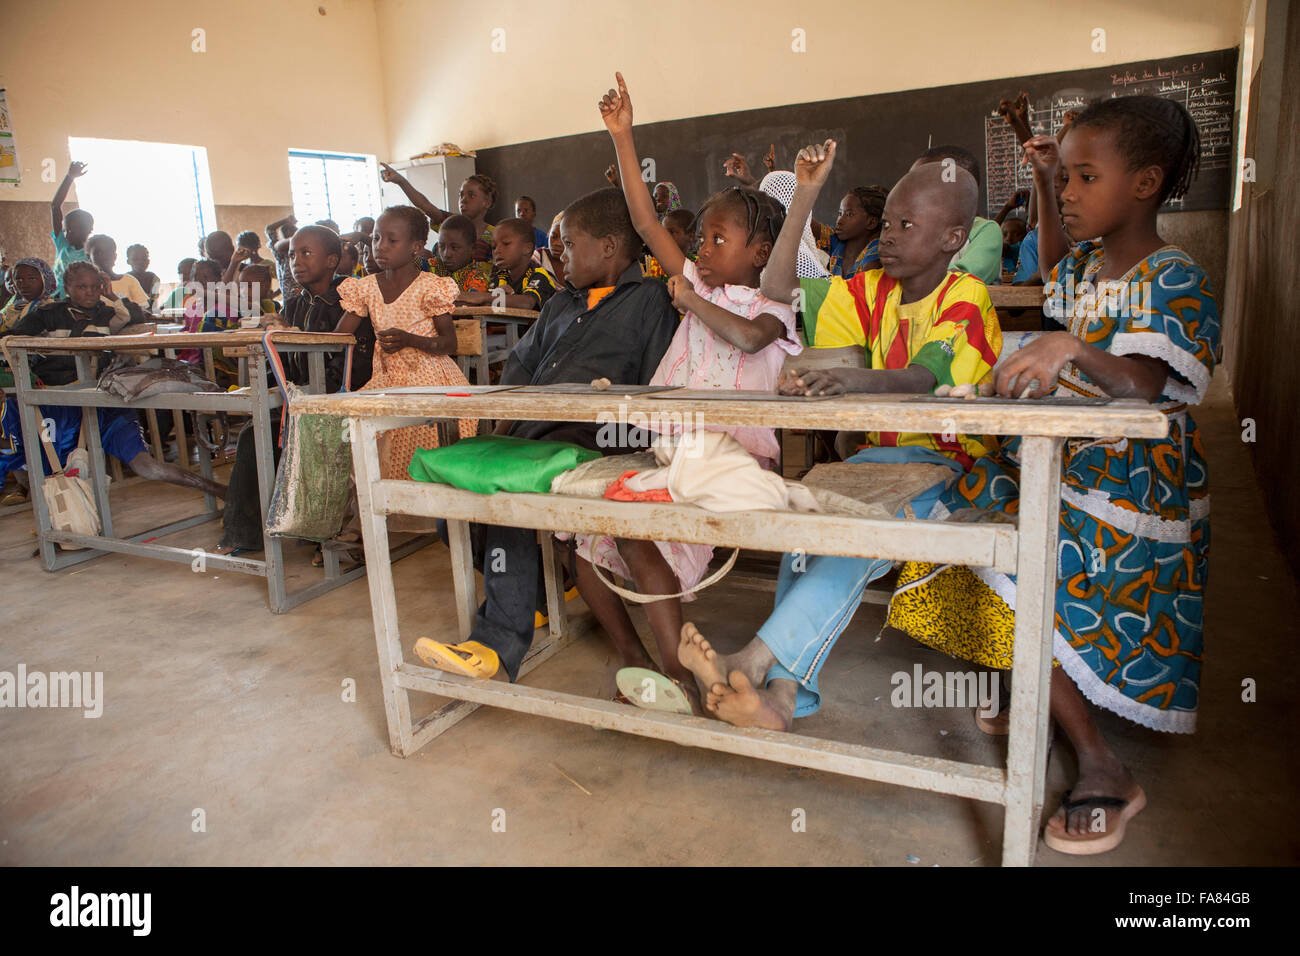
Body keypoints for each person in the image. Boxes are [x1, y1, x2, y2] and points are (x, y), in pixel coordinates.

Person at [886, 95, 1219, 856]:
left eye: (1083, 176)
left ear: (1144, 183)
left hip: (1128, 485)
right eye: (1062, 176)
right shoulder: (1082, 265)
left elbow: (1143, 380)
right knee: (954, 524)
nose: (1067, 191)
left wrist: (1070, 352)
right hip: (1057, 458)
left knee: (1025, 572)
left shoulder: (1175, 279)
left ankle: (1104, 766)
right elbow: (1052, 272)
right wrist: (1040, 183)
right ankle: (1035, 688)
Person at [675, 143, 1001, 735]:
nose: (889, 235)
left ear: (953, 239)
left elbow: (921, 377)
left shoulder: (966, 297)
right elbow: (778, 289)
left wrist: (850, 379)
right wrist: (803, 194)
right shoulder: (869, 288)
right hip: (877, 463)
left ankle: (753, 660)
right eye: (888, 224)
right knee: (806, 529)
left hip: (949, 470)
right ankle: (779, 698)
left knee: (851, 536)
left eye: (907, 225)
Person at [564, 73, 800, 709]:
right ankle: (637, 660)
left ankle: (681, 668)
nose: (703, 246)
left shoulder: (772, 301)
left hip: (725, 457)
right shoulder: (695, 280)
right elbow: (643, 219)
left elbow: (750, 341)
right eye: (703, 238)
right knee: (585, 548)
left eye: (719, 239)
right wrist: (623, 136)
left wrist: (692, 299)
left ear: (760, 252)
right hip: (672, 451)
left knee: (641, 535)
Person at [411, 186, 678, 683]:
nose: (559, 253)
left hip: (592, 437)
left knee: (510, 491)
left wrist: (632, 448)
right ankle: (529, 593)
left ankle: (495, 643)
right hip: (533, 431)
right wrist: (495, 434)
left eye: (570, 245)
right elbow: (518, 371)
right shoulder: (560, 303)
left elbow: (654, 391)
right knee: (453, 506)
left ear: (608, 247)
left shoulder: (649, 302)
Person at [0, 261, 227, 499]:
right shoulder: (47, 314)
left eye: (95, 287)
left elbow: (137, 314)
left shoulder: (105, 312)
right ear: (67, 288)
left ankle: (223, 492)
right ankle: (61, 518)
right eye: (81, 287)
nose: (89, 292)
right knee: (52, 469)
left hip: (103, 399)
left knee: (146, 466)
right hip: (60, 402)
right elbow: (12, 337)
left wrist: (111, 295)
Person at [216, 226, 363, 556]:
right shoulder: (295, 304)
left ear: (332, 260)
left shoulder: (347, 298)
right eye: (292, 254)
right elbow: (288, 362)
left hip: (341, 393)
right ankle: (244, 532)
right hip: (300, 396)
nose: (296, 261)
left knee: (302, 432)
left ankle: (317, 529)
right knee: (255, 432)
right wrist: (277, 335)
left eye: (306, 253)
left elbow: (347, 358)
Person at [335, 205, 474, 481]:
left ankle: (420, 514)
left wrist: (410, 340)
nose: (380, 247)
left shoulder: (430, 286)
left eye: (391, 240)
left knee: (418, 434)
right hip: (387, 379)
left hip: (430, 379)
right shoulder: (366, 287)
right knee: (351, 425)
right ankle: (377, 506)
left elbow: (449, 343)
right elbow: (339, 336)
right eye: (376, 238)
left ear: (416, 247)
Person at [911, 145, 1002, 285]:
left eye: (924, 184)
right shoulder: (912, 231)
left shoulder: (984, 230)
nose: (912, 192)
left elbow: (967, 279)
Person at [380, 163, 497, 262]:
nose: (464, 200)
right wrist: (401, 181)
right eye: (461, 195)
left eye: (471, 195)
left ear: (487, 202)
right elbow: (424, 205)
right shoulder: (450, 224)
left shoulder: (494, 235)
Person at [455, 218, 556, 311]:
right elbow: (491, 305)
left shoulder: (539, 275)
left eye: (506, 243)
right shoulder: (499, 276)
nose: (497, 251)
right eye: (494, 247)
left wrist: (483, 297)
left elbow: (527, 303)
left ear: (527, 248)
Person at [49, 161, 94, 297]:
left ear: (88, 230)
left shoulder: (92, 256)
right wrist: (70, 177)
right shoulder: (62, 245)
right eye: (65, 230)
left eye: (71, 230)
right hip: (56, 302)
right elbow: (55, 206)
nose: (66, 233)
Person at [827, 185, 888, 278]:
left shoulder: (876, 250)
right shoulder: (836, 241)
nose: (839, 221)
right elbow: (807, 223)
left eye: (849, 214)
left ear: (871, 222)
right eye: (840, 213)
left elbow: (861, 288)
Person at [429, 215, 491, 292]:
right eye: (442, 246)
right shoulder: (434, 266)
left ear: (473, 249)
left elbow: (469, 301)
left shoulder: (478, 279)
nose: (446, 254)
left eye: (454, 248)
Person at [86, 235, 149, 309]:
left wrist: (112, 296)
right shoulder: (85, 285)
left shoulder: (129, 281)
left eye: (109, 252)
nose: (105, 256)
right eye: (98, 253)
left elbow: (143, 310)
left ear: (115, 256)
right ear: (89, 257)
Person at [0, 258, 58, 332]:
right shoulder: (14, 308)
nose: (25, 285)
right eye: (19, 279)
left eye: (32, 279)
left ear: (46, 279)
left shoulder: (49, 309)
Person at [643, 208, 696, 280]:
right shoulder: (655, 265)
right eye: (664, 232)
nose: (666, 236)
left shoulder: (698, 265)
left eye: (672, 232)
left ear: (690, 236)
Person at [265, 214, 302, 300]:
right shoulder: (280, 252)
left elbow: (270, 229)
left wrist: (286, 220)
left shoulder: (283, 253)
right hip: (291, 297)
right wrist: (286, 220)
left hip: (296, 296)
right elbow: (269, 229)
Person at [124, 244, 160, 310]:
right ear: (128, 261)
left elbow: (153, 304)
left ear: (148, 261)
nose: (140, 262)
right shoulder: (124, 279)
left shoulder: (153, 278)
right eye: (135, 259)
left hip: (148, 315)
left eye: (144, 259)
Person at [538, 212, 566, 286]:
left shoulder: (579, 263)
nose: (557, 243)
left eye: (564, 239)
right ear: (549, 233)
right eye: (554, 236)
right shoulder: (537, 258)